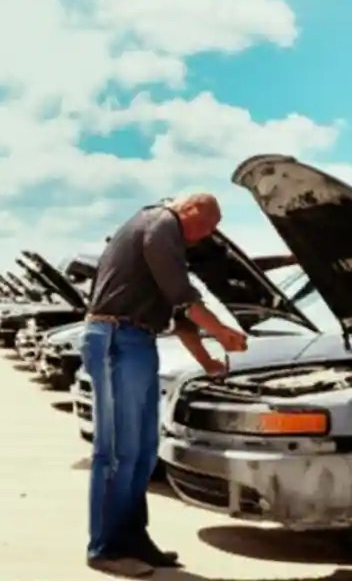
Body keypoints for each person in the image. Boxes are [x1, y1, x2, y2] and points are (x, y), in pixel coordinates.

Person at [82, 193, 248, 577]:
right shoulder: (160, 224)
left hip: (137, 339)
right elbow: (183, 297)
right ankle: (105, 548)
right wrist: (221, 331)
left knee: (142, 451)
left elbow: (177, 313)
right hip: (115, 338)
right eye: (206, 227)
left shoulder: (167, 238)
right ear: (188, 210)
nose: (206, 237)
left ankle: (132, 539)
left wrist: (207, 360)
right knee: (116, 452)